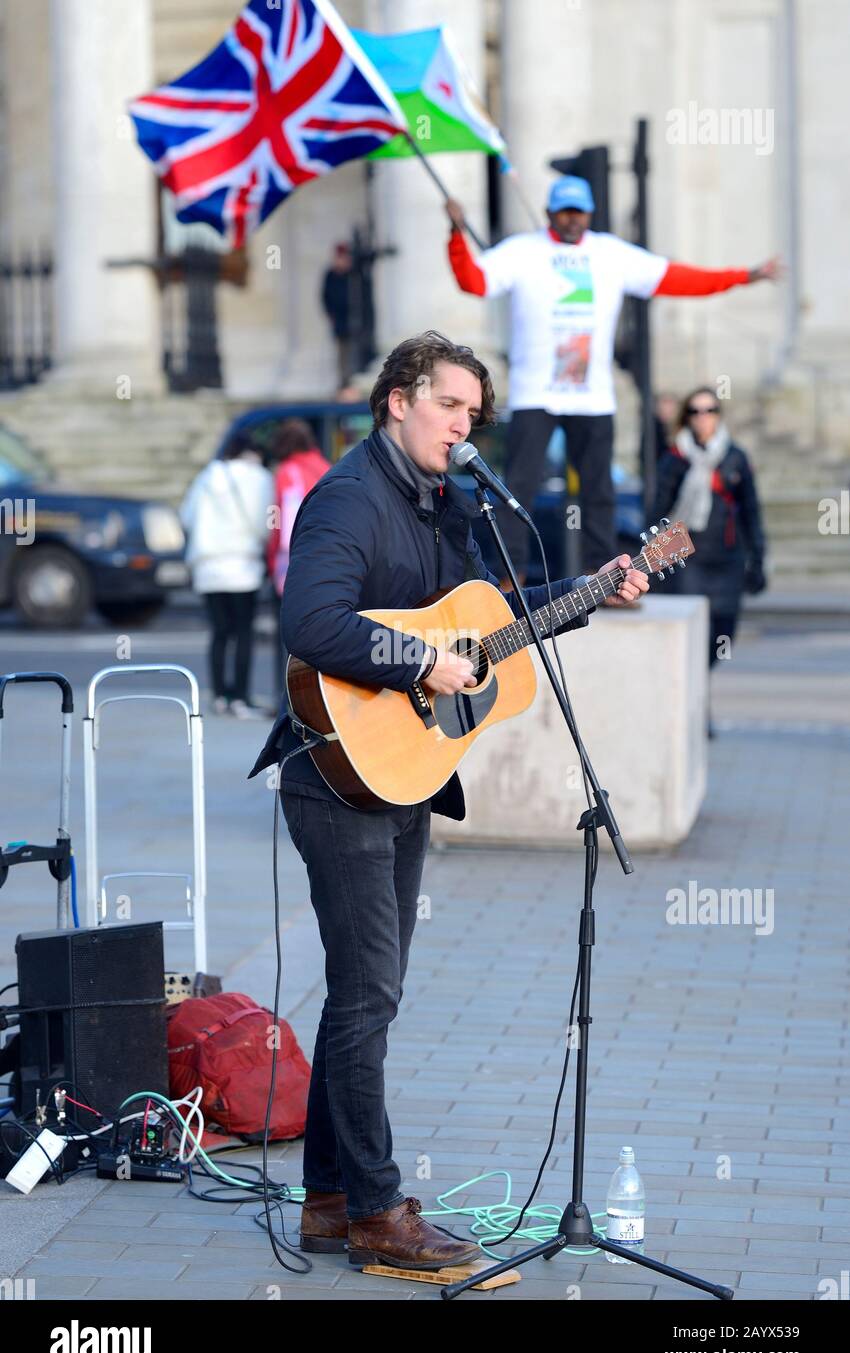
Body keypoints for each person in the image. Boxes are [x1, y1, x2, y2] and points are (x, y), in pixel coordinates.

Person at [249, 329, 648, 1271]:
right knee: (370, 995)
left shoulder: (446, 506)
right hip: (335, 777)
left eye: (475, 414)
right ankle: (380, 1215)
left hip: (404, 772)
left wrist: (590, 592)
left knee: (364, 996)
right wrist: (418, 658)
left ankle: (328, 1199)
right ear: (398, 400)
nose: (464, 427)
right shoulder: (348, 498)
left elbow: (487, 628)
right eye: (449, 406)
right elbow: (312, 622)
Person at [445, 174, 780, 578]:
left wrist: (743, 276)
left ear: (590, 215)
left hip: (591, 396)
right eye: (565, 212)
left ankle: (603, 578)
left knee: (599, 494)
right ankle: (508, 578)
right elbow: (473, 281)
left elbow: (678, 278)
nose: (572, 220)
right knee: (517, 489)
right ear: (550, 213)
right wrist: (457, 234)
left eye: (579, 212)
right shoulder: (521, 251)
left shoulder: (611, 254)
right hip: (537, 393)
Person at [656, 385, 766, 672]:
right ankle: (691, 702)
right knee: (690, 638)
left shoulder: (735, 457)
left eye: (710, 410)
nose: (703, 417)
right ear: (687, 417)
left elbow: (751, 512)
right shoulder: (675, 458)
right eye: (695, 411)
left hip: (728, 559)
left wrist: (758, 559)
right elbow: (657, 512)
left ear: (718, 415)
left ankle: (698, 686)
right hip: (689, 560)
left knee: (723, 636)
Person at [180, 431, 274, 719]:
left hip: (208, 566)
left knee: (220, 632)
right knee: (244, 632)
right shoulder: (259, 477)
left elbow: (186, 515)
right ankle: (241, 696)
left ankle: (220, 695)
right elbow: (266, 521)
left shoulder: (207, 476)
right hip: (242, 566)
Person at [266, 418, 332, 701]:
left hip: (294, 564)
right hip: (330, 562)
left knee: (288, 636)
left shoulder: (288, 471)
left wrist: (273, 561)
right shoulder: (326, 468)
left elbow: (284, 523)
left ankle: (288, 698)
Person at [321, 242, 354, 390]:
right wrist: (331, 315)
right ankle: (344, 382)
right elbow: (325, 297)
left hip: (354, 320)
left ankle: (351, 379)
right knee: (342, 352)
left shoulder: (353, 275)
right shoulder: (331, 275)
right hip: (340, 321)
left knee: (353, 351)